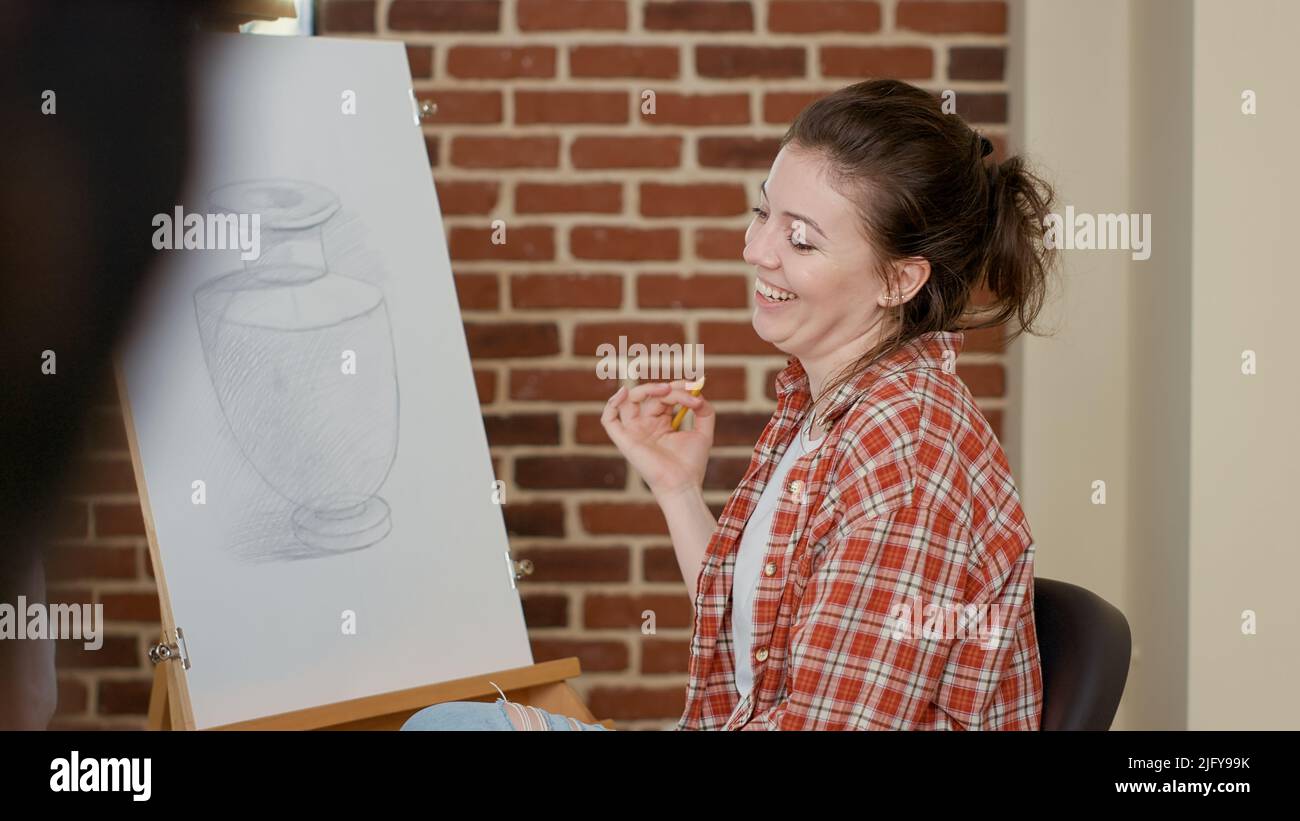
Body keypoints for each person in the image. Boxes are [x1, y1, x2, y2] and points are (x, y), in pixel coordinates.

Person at [402, 78, 1056, 731]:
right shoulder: (823, 398)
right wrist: (678, 487)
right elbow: (765, 638)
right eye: (762, 212)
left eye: (801, 239)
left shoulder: (903, 447)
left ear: (898, 279)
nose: (756, 249)